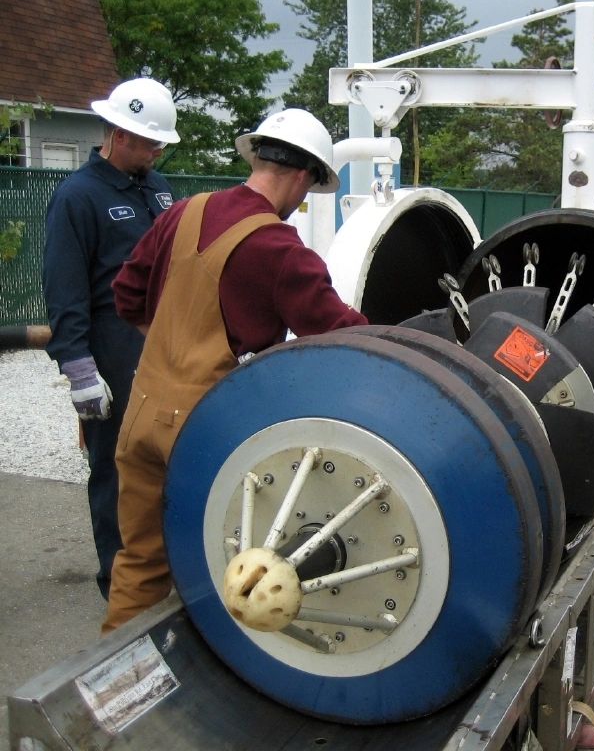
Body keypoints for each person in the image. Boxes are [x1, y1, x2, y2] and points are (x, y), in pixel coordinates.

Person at [102, 108, 369, 633]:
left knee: (139, 561)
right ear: (301, 177)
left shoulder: (182, 212)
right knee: (232, 569)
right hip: (206, 430)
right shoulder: (280, 249)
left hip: (142, 415)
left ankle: (115, 691)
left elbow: (127, 296)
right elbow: (345, 335)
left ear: (258, 157)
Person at [42, 78, 179, 600]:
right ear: (119, 134)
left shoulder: (159, 188)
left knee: (169, 459)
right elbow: (65, 289)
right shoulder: (78, 197)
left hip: (164, 344)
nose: (157, 150)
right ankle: (121, 583)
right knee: (118, 468)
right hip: (113, 345)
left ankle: (166, 569)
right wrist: (79, 370)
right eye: (149, 142)